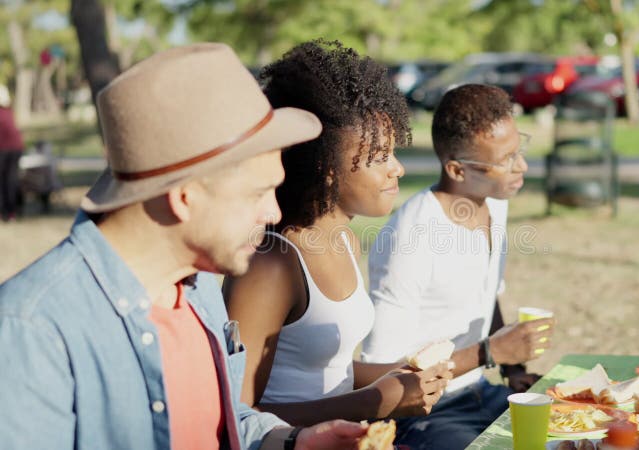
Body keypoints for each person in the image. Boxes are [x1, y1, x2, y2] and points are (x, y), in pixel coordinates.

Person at [0, 43, 367, 450]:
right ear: (184, 195)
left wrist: (292, 441)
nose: (273, 213)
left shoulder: (200, 286)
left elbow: (222, 418)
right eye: (258, 193)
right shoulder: (32, 331)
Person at [224, 40, 452, 427]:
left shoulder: (345, 239)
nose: (397, 169)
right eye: (379, 158)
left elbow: (332, 372)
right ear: (327, 168)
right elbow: (236, 417)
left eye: (393, 153)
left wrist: (399, 376)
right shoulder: (272, 264)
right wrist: (373, 402)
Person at [361, 84, 556, 449]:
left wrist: (512, 370)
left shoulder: (493, 200)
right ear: (457, 169)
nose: (523, 166)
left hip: (483, 391)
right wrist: (490, 352)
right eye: (507, 159)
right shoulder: (411, 237)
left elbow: (486, 294)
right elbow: (383, 373)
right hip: (424, 414)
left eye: (520, 149)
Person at [0, 84, 24, 222]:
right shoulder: (9, 112)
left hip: (4, 149)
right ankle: (11, 212)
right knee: (10, 180)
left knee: (6, 181)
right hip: (15, 148)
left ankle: (7, 211)